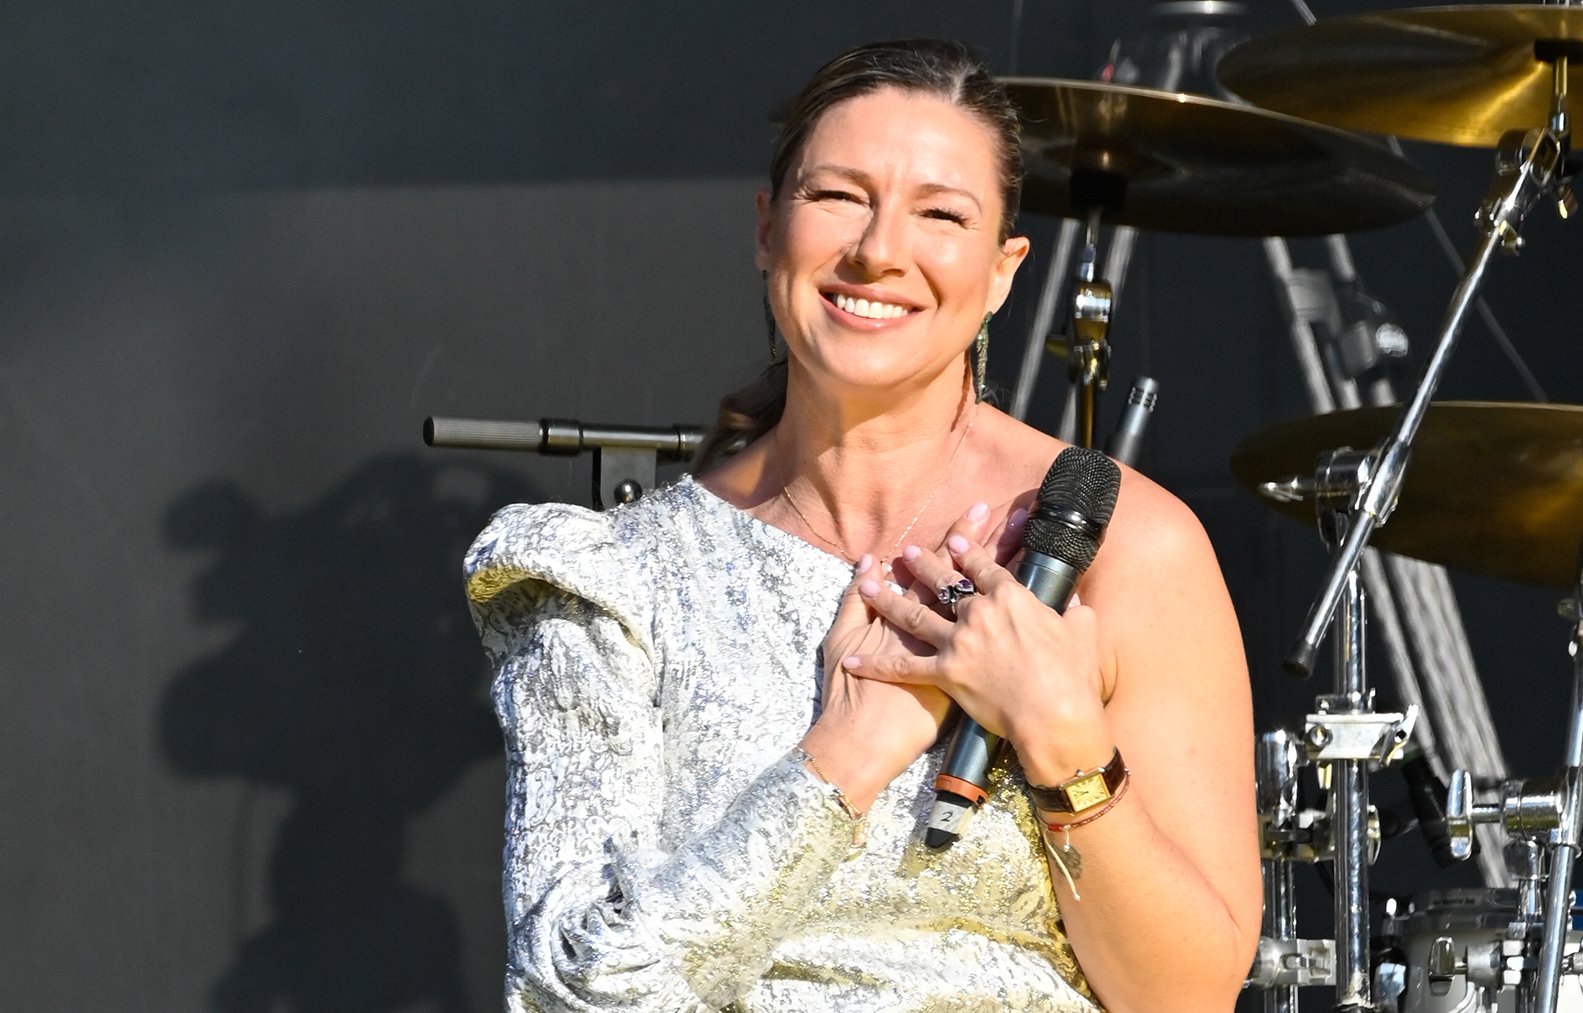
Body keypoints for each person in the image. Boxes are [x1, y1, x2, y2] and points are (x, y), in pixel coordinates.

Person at [464, 38, 1260, 1012]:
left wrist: (1064, 740)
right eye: (840, 195)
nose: (879, 249)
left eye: (940, 213)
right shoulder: (614, 582)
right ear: (768, 230)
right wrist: (840, 762)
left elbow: (1188, 995)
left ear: (1003, 269)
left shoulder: (1125, 548)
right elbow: (566, 990)